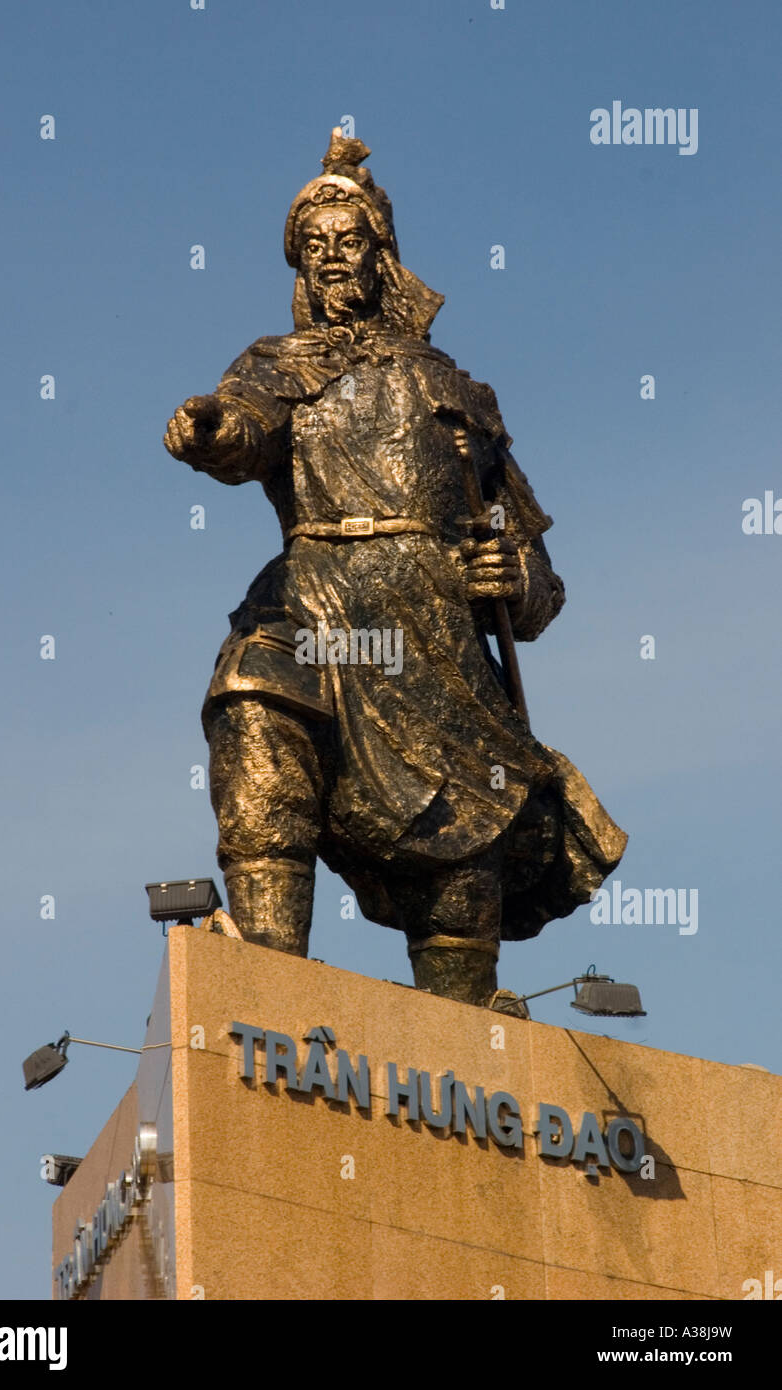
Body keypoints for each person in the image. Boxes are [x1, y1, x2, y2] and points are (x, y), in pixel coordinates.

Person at [163, 129, 627, 1011]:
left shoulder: (457, 390)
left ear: (384, 254)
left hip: (432, 637)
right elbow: (247, 427)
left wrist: (511, 573)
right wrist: (212, 431)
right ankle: (271, 987)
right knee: (254, 700)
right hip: (313, 596)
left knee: (459, 854)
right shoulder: (276, 365)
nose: (335, 257)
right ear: (300, 263)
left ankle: (458, 1050)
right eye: (317, 245)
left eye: (352, 240)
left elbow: (537, 577)